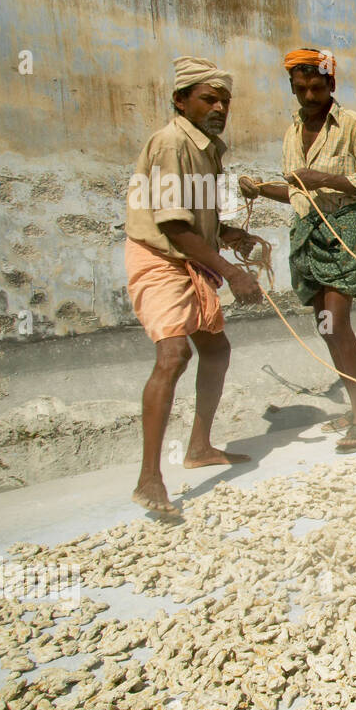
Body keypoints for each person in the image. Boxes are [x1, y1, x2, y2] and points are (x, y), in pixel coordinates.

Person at [125, 55, 264, 517]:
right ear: (180, 101)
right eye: (209, 98)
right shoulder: (170, 144)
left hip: (189, 257)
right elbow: (175, 228)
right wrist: (232, 271)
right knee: (174, 355)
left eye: (225, 99)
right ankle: (149, 478)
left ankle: (199, 446)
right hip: (161, 258)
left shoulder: (207, 149)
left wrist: (229, 235)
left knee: (217, 348)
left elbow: (198, 221)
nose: (220, 106)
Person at [240, 48, 356, 453]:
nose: (309, 97)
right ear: (292, 87)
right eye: (301, 88)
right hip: (306, 232)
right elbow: (297, 193)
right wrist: (258, 189)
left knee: (338, 324)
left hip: (343, 230)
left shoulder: (352, 124)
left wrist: (325, 177)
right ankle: (355, 406)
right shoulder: (292, 132)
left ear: (332, 85)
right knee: (324, 328)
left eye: (317, 88)